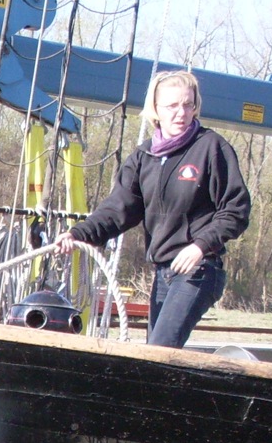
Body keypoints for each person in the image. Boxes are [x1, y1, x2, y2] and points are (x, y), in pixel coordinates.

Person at [53, 70, 250, 348]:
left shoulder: (211, 147)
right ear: (156, 109)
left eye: (188, 105)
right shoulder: (144, 157)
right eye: (172, 106)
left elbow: (236, 209)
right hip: (163, 272)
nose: (181, 113)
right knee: (153, 353)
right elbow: (119, 209)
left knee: (160, 349)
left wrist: (200, 246)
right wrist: (78, 234)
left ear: (195, 106)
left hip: (198, 268)